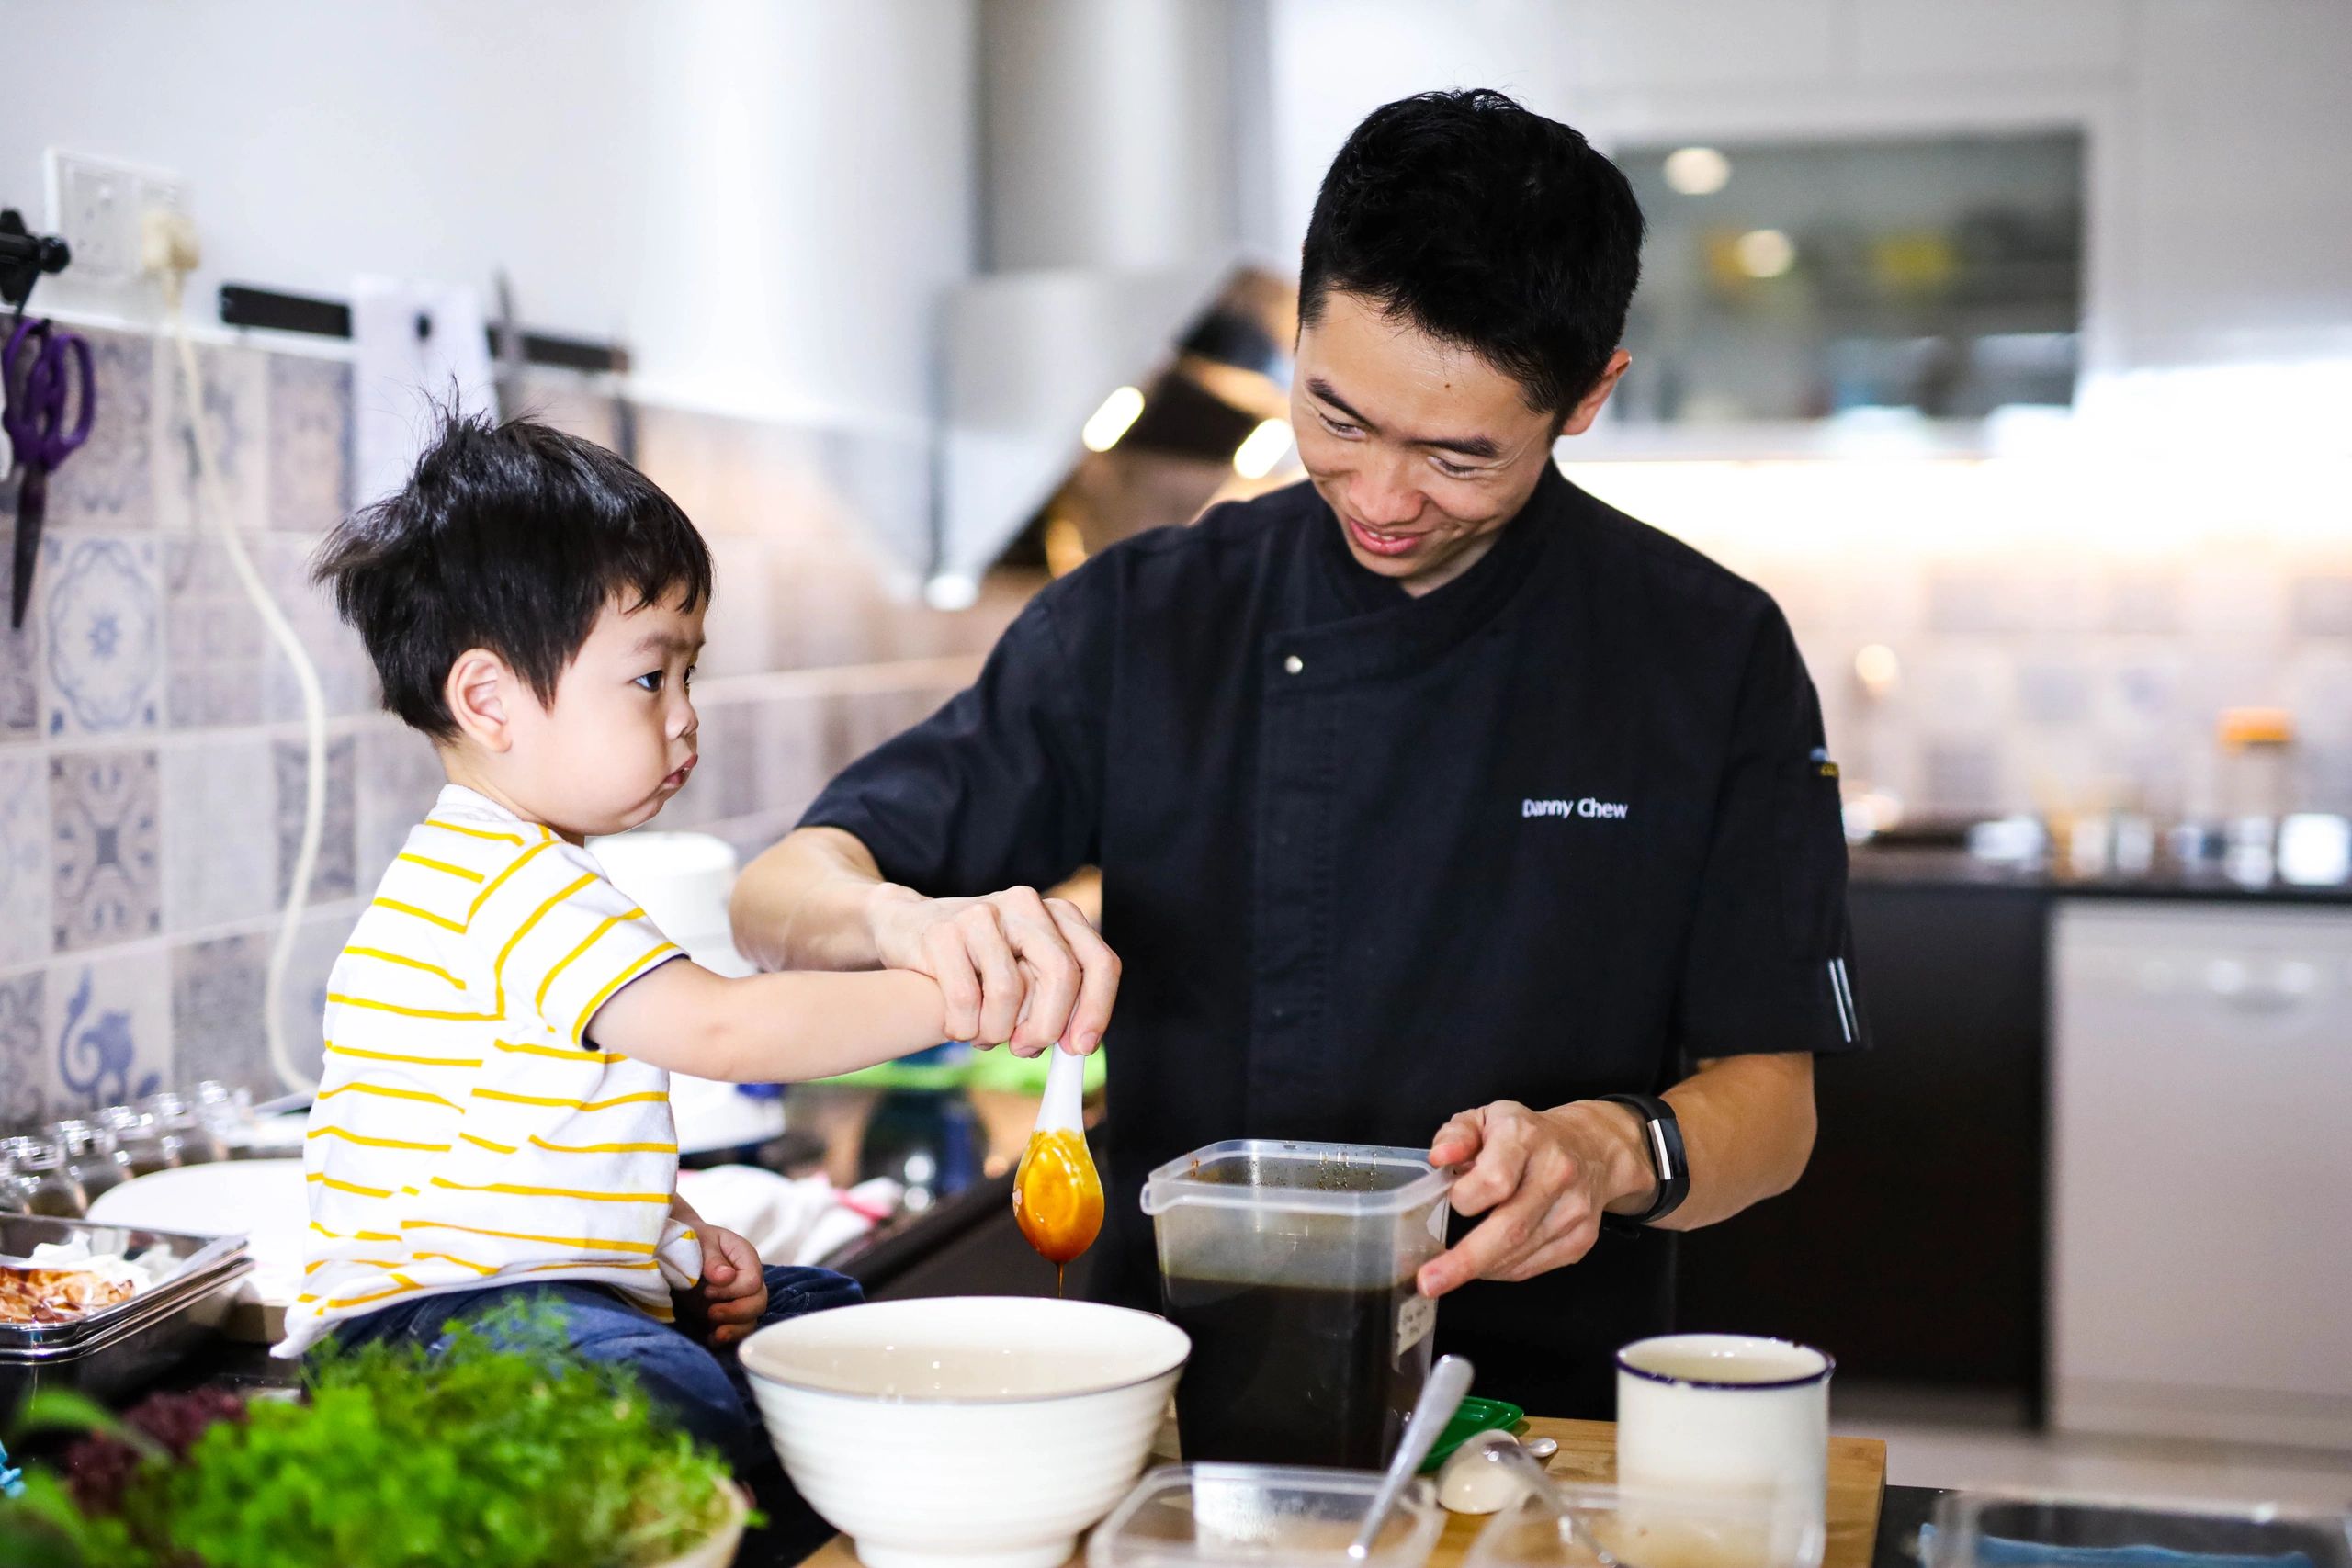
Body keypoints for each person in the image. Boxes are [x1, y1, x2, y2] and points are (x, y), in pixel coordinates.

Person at [731, 89, 1868, 1416]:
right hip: (1159, 1405)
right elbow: (778, 894)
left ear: (1589, 396)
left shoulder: (1706, 651)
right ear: (1300, 335)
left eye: (1456, 455)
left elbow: (1772, 1108)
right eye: (1337, 418)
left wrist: (1614, 1148)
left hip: (1541, 1421)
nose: (1384, 499)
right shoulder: (1147, 616)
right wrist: (896, 916)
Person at [281, 412, 948, 1522]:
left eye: (690, 676)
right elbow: (727, 1031)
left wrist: (677, 1246)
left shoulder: (532, 872)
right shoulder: (504, 882)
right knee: (666, 1389)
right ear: (487, 699)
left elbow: (538, 1158)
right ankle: (710, 1521)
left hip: (531, 1306)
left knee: (815, 1313)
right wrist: (951, 994)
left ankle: (725, 1516)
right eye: (650, 681)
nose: (686, 722)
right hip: (424, 1336)